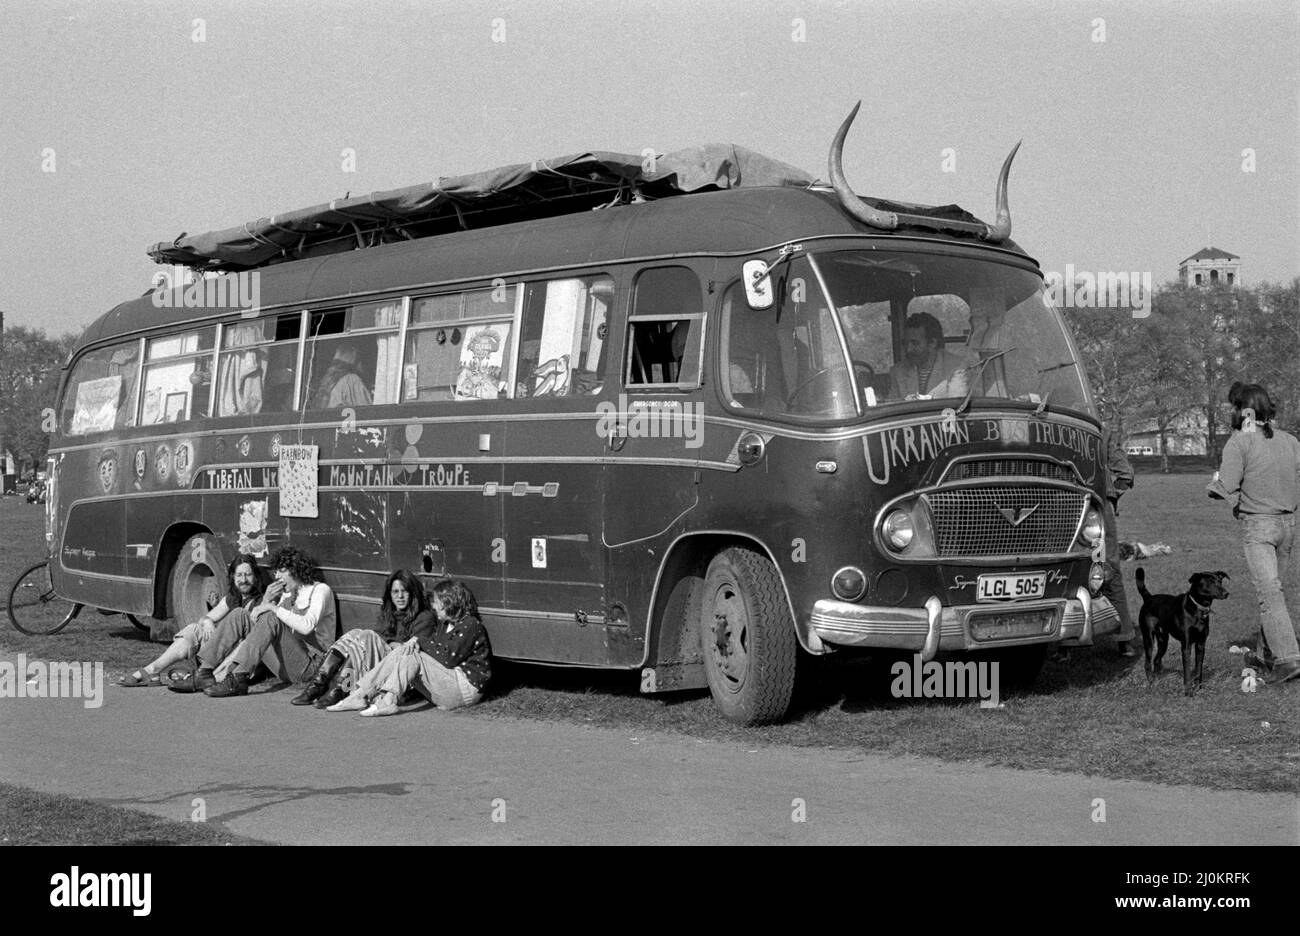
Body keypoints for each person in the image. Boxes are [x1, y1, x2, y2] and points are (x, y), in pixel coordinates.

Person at [1211, 382, 1300, 684]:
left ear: (1243, 410)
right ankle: (1266, 655)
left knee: (1268, 594)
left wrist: (1215, 488)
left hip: (1259, 527)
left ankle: (1288, 660)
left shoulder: (1240, 441)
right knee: (1274, 590)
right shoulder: (1289, 440)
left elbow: (1226, 485)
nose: (1232, 414)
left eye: (1233, 408)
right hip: (1287, 525)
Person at [327, 579, 491, 716]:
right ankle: (361, 694)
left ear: (449, 602)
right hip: (447, 685)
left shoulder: (471, 625)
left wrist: (418, 641)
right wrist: (415, 643)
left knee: (412, 653)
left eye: (437, 602)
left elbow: (447, 658)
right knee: (404, 650)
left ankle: (388, 700)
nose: (434, 606)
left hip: (465, 690)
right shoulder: (444, 624)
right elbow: (434, 650)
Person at [203, 546, 339, 697]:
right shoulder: (287, 595)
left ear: (295, 569)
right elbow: (259, 627)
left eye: (281, 571)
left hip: (312, 666)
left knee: (271, 616)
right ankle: (203, 671)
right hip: (287, 663)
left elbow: (306, 626)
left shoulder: (320, 590)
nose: (277, 576)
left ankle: (238, 678)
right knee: (239, 614)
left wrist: (272, 608)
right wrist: (267, 601)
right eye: (276, 572)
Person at [291, 569, 435, 707]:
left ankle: (339, 689)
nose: (400, 596)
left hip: (403, 673)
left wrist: (391, 644)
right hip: (383, 660)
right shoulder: (389, 612)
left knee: (367, 636)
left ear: (413, 593)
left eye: (405, 591)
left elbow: (414, 650)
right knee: (355, 635)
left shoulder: (424, 617)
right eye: (395, 592)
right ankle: (318, 685)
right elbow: (380, 638)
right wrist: (390, 643)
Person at [118, 554, 264, 686]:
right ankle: (153, 669)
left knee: (243, 642)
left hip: (241, 660)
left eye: (248, 575)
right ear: (232, 577)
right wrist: (207, 622)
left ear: (256, 576)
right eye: (239, 575)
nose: (243, 580)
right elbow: (206, 618)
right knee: (195, 628)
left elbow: (252, 643)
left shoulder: (262, 600)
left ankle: (213, 677)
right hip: (221, 653)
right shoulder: (232, 598)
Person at [1100, 428, 1137, 656]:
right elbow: (1126, 475)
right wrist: (1112, 496)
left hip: (1062, 503)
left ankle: (1067, 644)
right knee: (1111, 569)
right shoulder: (1102, 433)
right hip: (1100, 503)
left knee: (1068, 571)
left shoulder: (1052, 428)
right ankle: (1125, 639)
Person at [888, 312, 974, 400]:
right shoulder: (898, 371)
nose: (908, 349)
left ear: (932, 343)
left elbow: (956, 405)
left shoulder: (957, 367)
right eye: (905, 343)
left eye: (915, 343)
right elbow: (892, 405)